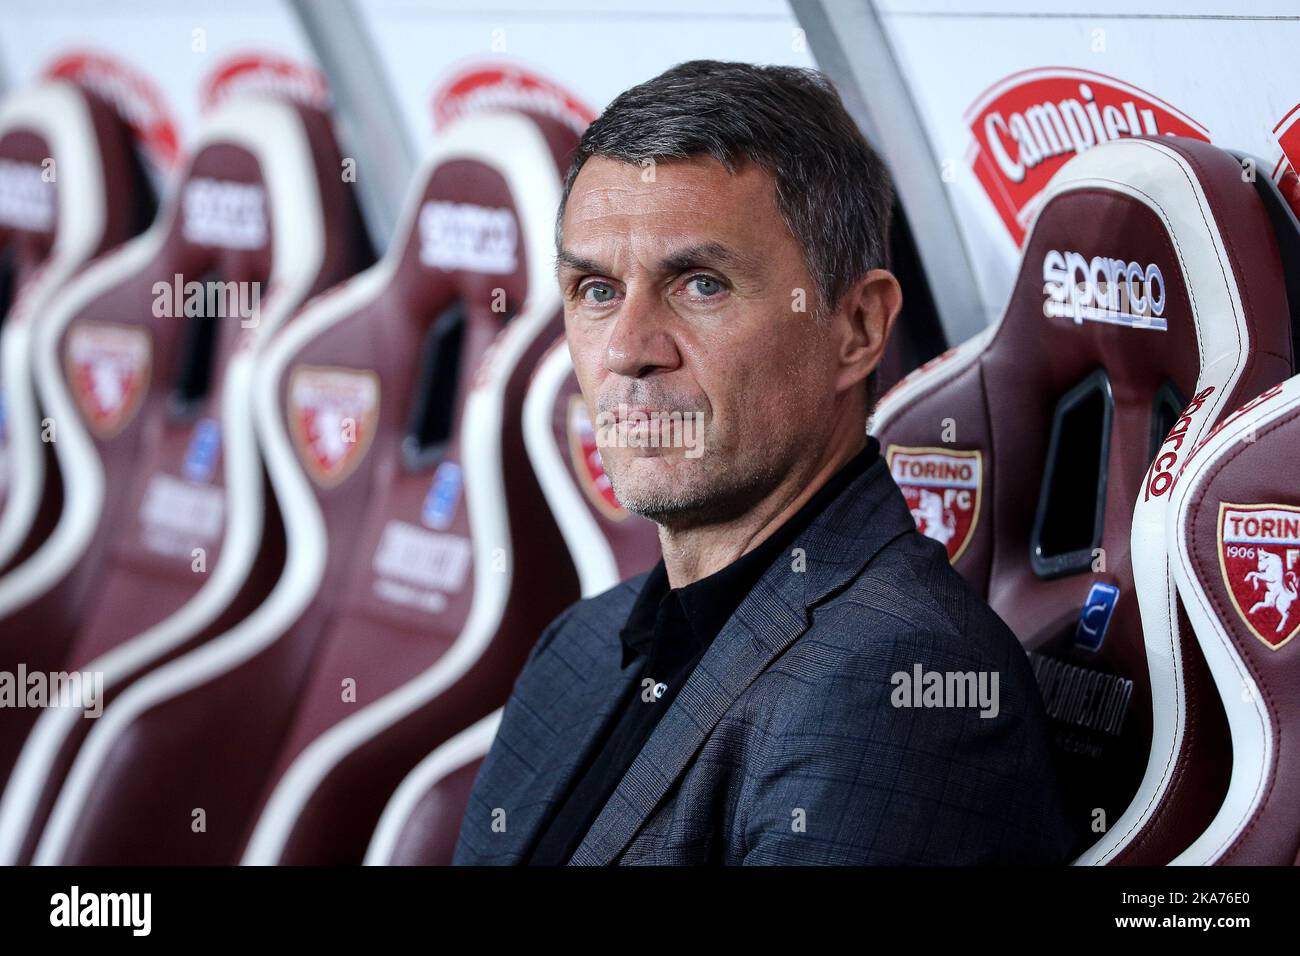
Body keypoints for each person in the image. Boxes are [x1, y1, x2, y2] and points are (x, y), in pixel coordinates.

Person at [453, 59, 1076, 865]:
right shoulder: (579, 642)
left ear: (856, 326)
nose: (629, 351)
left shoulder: (898, 683)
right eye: (597, 290)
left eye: (701, 285)